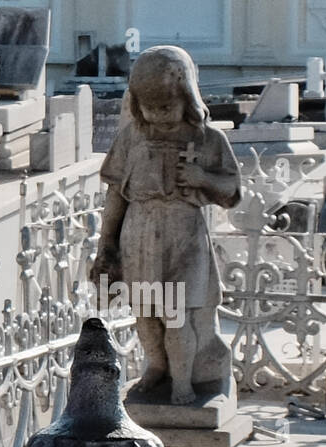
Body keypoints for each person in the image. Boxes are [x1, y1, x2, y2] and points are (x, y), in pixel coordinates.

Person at [93, 45, 241, 405]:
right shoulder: (132, 138)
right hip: (140, 233)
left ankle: (183, 382)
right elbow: (116, 196)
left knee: (177, 314)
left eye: (168, 108)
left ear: (187, 97)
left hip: (183, 235)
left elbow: (231, 191)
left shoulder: (207, 139)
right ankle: (156, 366)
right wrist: (106, 244)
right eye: (150, 108)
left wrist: (202, 177)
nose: (159, 116)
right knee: (145, 313)